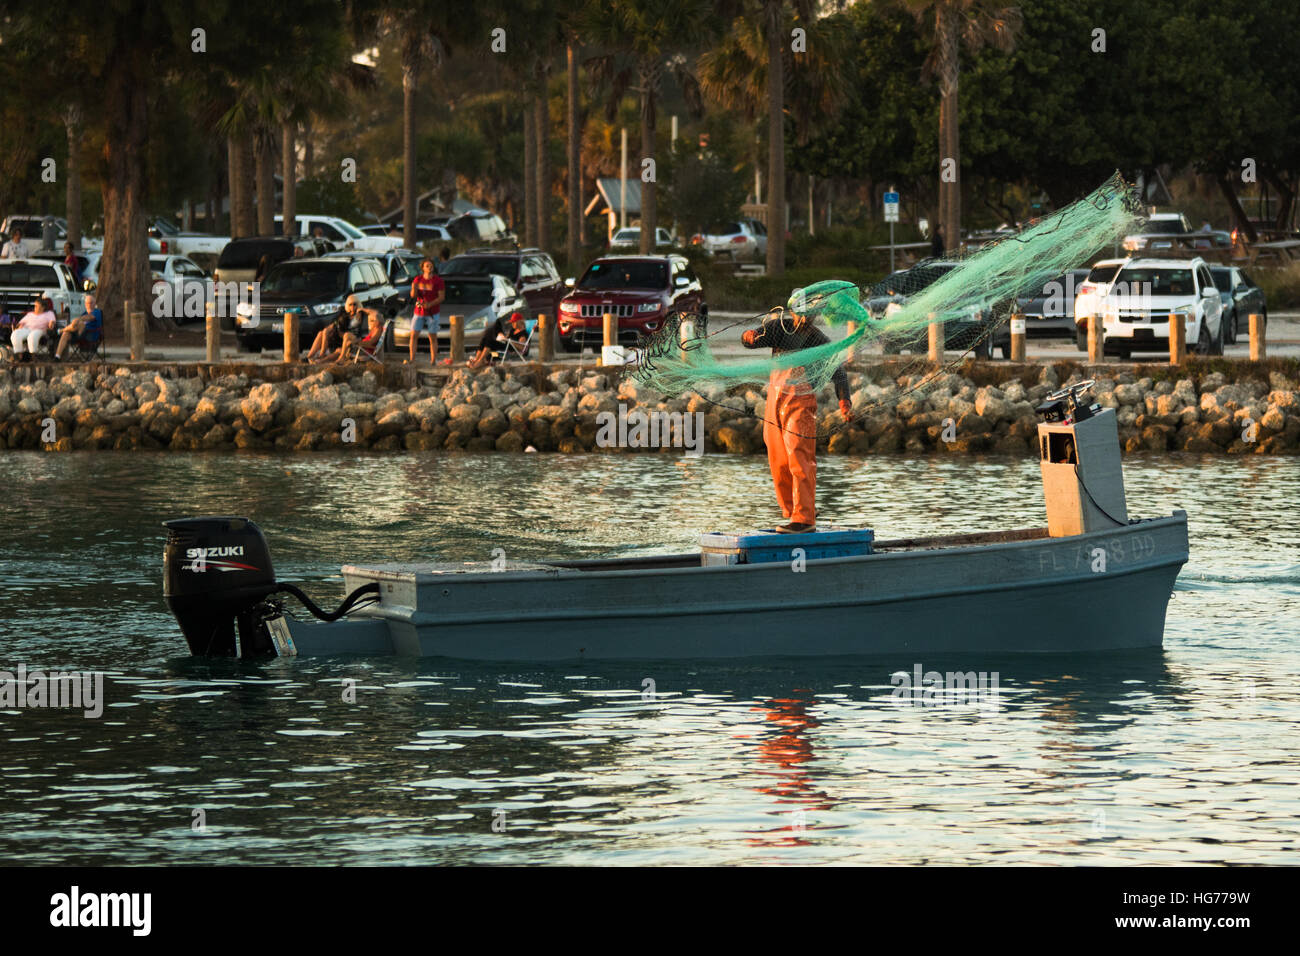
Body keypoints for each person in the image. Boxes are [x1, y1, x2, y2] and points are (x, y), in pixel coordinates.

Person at [741, 307, 852, 533]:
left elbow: (838, 372)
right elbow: (751, 340)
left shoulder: (818, 339)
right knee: (778, 457)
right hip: (775, 398)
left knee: (800, 457)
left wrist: (845, 401)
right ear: (793, 311)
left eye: (811, 314)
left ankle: (804, 518)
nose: (806, 318)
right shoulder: (778, 327)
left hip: (801, 400)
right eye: (802, 313)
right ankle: (793, 511)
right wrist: (748, 337)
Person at [408, 257, 445, 365]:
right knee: (414, 335)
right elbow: (413, 296)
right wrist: (414, 288)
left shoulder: (438, 281)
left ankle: (433, 360)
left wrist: (430, 304)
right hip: (419, 311)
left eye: (431, 265)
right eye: (427, 266)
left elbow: (441, 297)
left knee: (432, 336)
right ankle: (412, 359)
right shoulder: (417, 279)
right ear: (423, 268)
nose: (430, 267)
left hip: (433, 312)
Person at [54, 294, 103, 359]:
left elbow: (90, 317)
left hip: (91, 335)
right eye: (87, 303)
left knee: (80, 323)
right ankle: (57, 356)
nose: (89, 305)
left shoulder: (97, 311)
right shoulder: (84, 313)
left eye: (91, 303)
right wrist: (76, 321)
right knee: (66, 333)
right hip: (79, 335)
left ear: (95, 303)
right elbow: (77, 322)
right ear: (85, 304)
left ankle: (61, 330)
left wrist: (78, 319)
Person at [10, 297, 57, 362]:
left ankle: (32, 357)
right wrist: (18, 327)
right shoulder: (30, 314)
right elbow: (21, 323)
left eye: (36, 306)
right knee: (15, 334)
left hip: (40, 330)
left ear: (43, 307)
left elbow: (52, 322)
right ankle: (19, 356)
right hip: (27, 329)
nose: (34, 307)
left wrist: (51, 324)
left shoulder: (49, 313)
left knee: (32, 336)